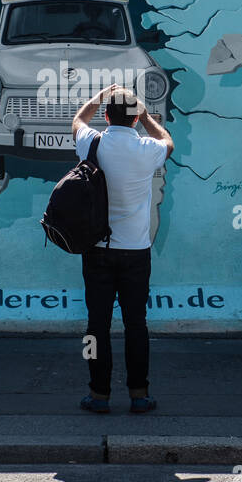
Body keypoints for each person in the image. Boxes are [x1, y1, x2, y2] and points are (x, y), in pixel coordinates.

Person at [70, 84, 173, 414]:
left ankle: (98, 396)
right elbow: (168, 141)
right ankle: (139, 394)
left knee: (96, 325)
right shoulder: (146, 148)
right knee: (136, 324)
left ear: (106, 115)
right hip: (136, 252)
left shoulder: (94, 142)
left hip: (97, 249)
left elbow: (76, 120)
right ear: (134, 118)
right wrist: (145, 117)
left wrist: (100, 96)